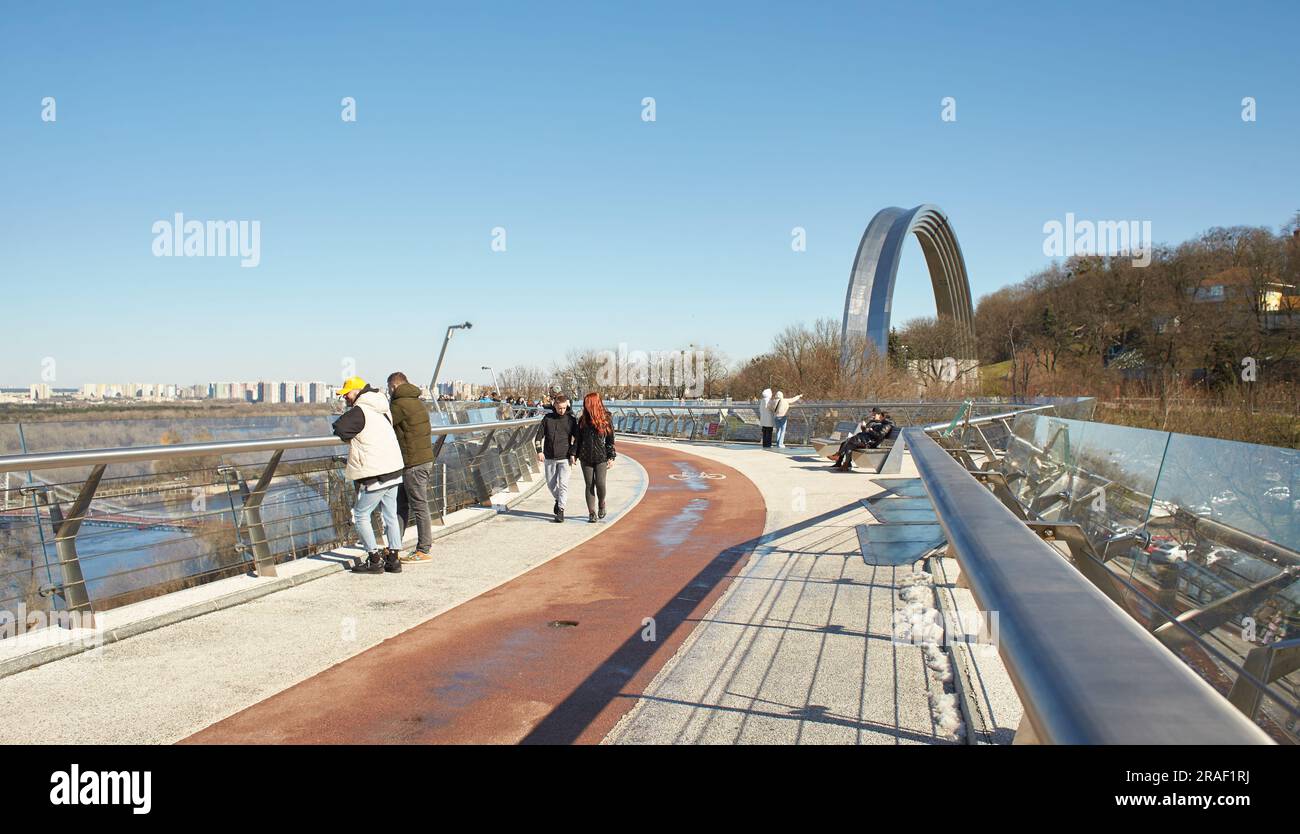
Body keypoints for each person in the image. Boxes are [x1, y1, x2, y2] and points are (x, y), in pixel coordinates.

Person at [332, 376, 406, 574]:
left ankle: (374, 559)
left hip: (377, 472)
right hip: (394, 468)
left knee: (360, 514)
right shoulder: (382, 407)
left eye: (347, 393)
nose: (345, 397)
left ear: (356, 391)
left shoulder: (360, 410)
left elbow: (339, 428)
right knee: (390, 514)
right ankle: (394, 558)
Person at [386, 372, 435, 565]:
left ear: (394, 386)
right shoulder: (416, 401)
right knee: (402, 504)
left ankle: (423, 548)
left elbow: (384, 424)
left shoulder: (399, 404)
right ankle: (394, 545)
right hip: (421, 459)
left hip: (413, 463)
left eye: (389, 388)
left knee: (417, 505)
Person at [574, 392, 617, 523]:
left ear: (593, 404)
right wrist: (574, 455)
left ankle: (602, 503)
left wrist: (611, 456)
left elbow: (610, 440)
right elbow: (578, 440)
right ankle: (591, 513)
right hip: (585, 457)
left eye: (587, 403)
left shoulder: (606, 419)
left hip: (601, 457)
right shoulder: (582, 420)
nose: (585, 406)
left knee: (600, 483)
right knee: (589, 484)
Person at [535, 394, 578, 522]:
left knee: (563, 484)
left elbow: (577, 439)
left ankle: (561, 510)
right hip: (550, 457)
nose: (562, 411)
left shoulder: (571, 420)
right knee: (551, 484)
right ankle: (558, 499)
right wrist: (539, 451)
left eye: (564, 408)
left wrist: (573, 454)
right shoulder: (547, 419)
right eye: (559, 408)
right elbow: (538, 436)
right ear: (554, 405)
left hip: (565, 457)